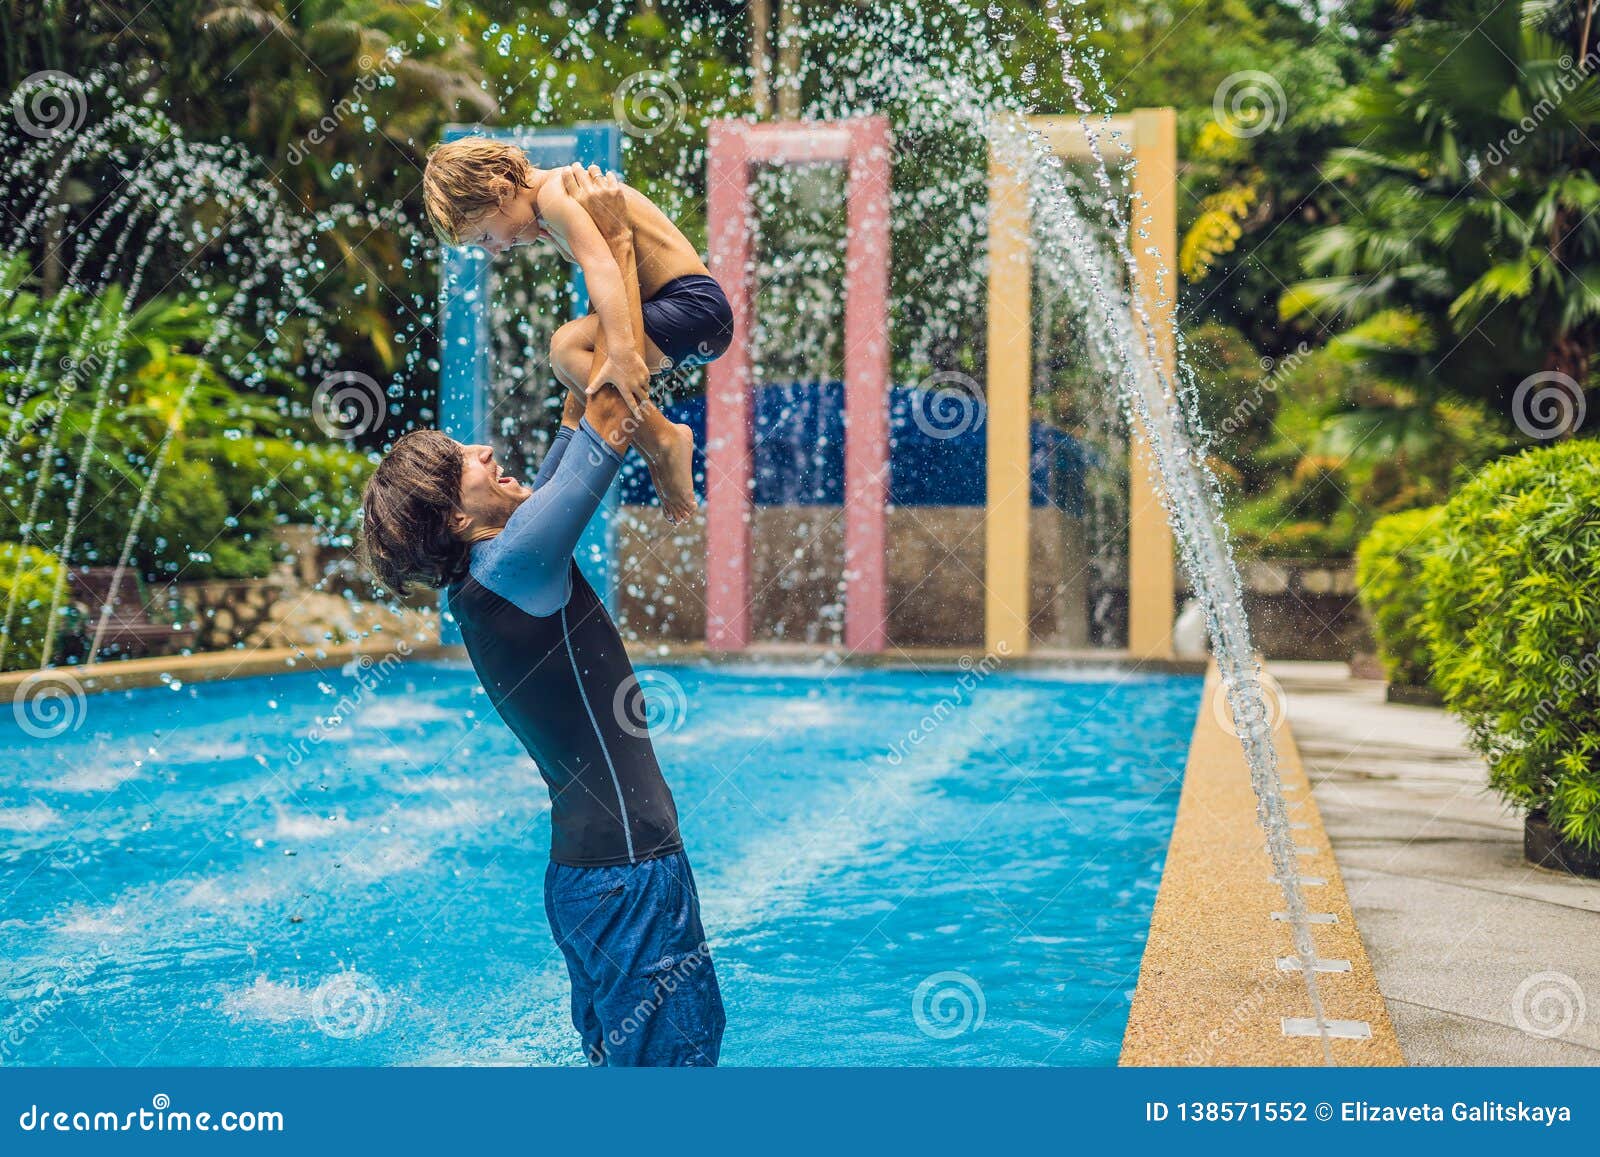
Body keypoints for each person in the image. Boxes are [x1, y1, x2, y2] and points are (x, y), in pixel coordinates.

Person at [360, 168, 725, 1066]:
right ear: (456, 517)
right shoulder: (518, 559)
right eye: (468, 462)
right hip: (629, 880)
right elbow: (610, 407)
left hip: (591, 882)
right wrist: (620, 246)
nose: (487, 450)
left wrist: (603, 284)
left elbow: (579, 413)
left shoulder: (491, 574)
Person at [422, 138, 735, 524]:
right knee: (580, 370)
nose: (495, 250)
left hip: (694, 306)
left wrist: (621, 351)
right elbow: (608, 289)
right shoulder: (549, 211)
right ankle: (657, 446)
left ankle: (665, 440)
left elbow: (603, 268)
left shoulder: (556, 194)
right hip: (683, 312)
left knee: (566, 348)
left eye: (485, 236)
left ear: (500, 191)